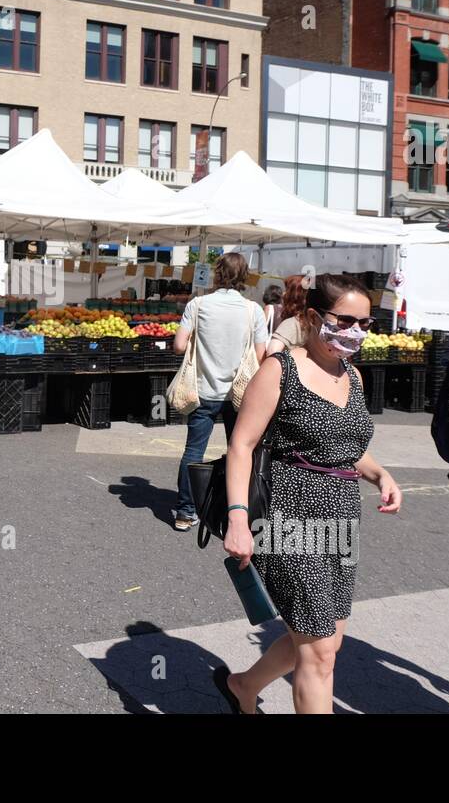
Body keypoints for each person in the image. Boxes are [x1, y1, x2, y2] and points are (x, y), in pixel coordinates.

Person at [219, 273, 402, 714]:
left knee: (327, 638)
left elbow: (345, 446)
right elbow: (240, 446)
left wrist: (379, 473)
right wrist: (238, 519)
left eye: (366, 323)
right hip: (287, 514)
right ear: (316, 316)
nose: (355, 332)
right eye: (346, 321)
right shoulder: (280, 369)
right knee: (319, 651)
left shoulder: (352, 376)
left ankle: (243, 685)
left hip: (340, 516)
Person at [171, 253, 268, 532]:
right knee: (241, 450)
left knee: (193, 451)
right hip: (240, 394)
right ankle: (238, 509)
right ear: (245, 276)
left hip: (202, 391)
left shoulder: (197, 305)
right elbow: (261, 355)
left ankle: (185, 512)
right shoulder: (253, 310)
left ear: (217, 274)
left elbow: (179, 345)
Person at [266, 274, 311, 355]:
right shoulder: (312, 322)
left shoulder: (291, 323)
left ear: (295, 295)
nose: (283, 294)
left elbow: (272, 353)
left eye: (287, 290)